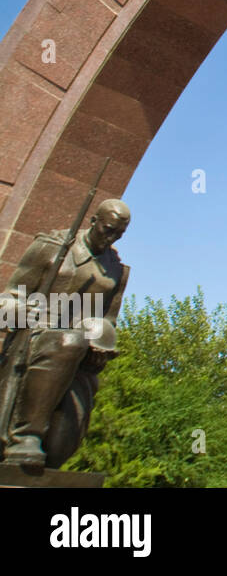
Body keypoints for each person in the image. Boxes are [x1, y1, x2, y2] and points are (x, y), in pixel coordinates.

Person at [0, 199, 130, 469]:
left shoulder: (116, 269)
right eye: (108, 229)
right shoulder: (52, 247)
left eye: (119, 233)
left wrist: (103, 344)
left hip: (81, 354)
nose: (112, 237)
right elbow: (7, 301)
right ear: (93, 221)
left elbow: (108, 320)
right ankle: (24, 436)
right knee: (68, 341)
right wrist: (22, 310)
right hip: (36, 338)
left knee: (60, 445)